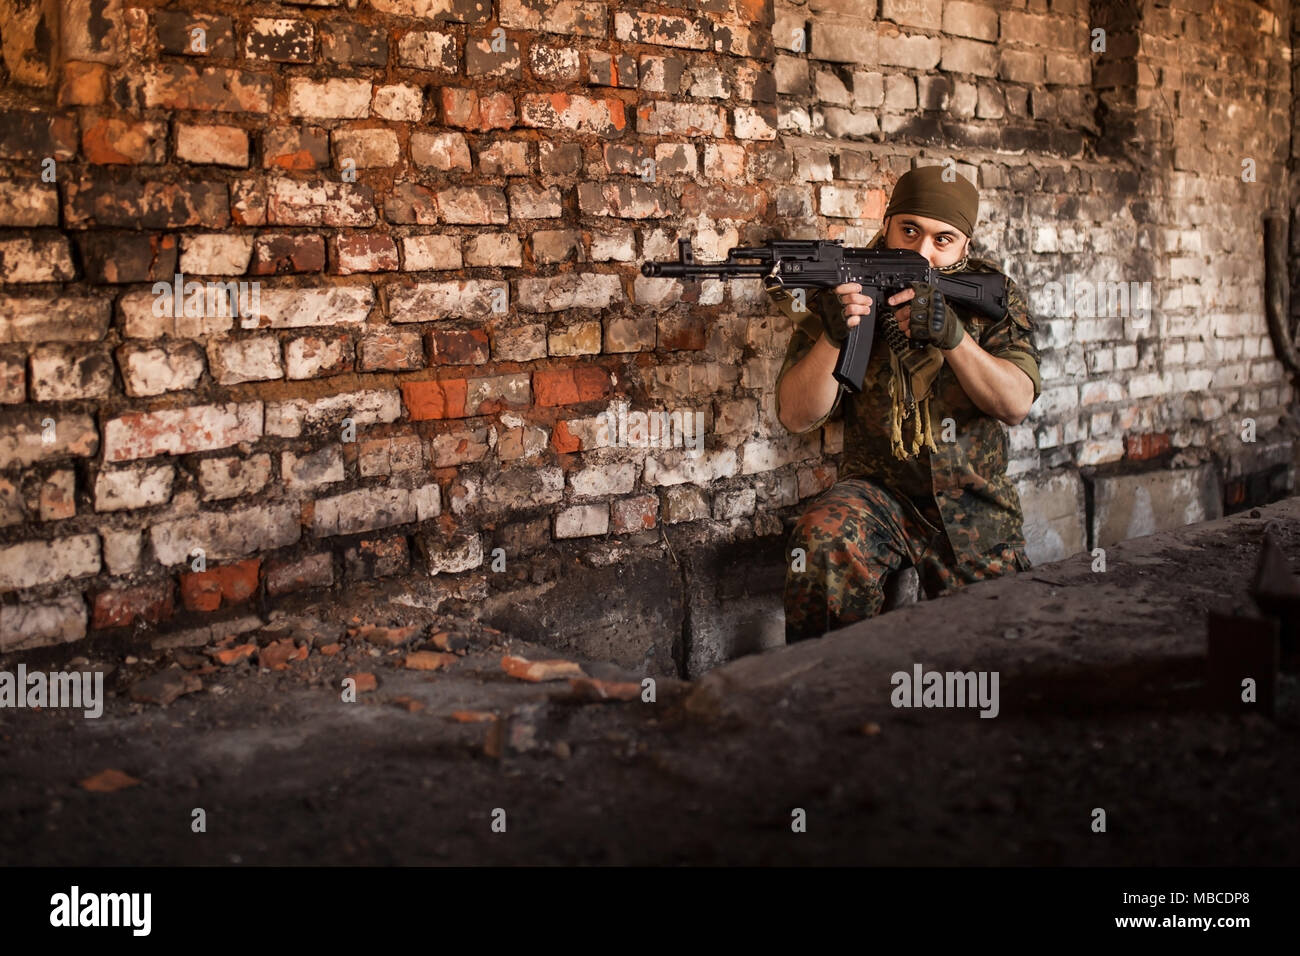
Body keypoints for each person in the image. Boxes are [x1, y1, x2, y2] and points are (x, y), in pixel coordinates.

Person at [768, 164, 1042, 643]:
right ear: (887, 223)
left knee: (1002, 648)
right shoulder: (849, 282)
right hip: (879, 495)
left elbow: (1016, 404)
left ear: (965, 248)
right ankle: (829, 691)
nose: (922, 252)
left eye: (943, 239)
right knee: (822, 539)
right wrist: (836, 332)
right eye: (909, 230)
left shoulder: (990, 293)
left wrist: (955, 338)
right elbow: (795, 414)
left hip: (973, 503)